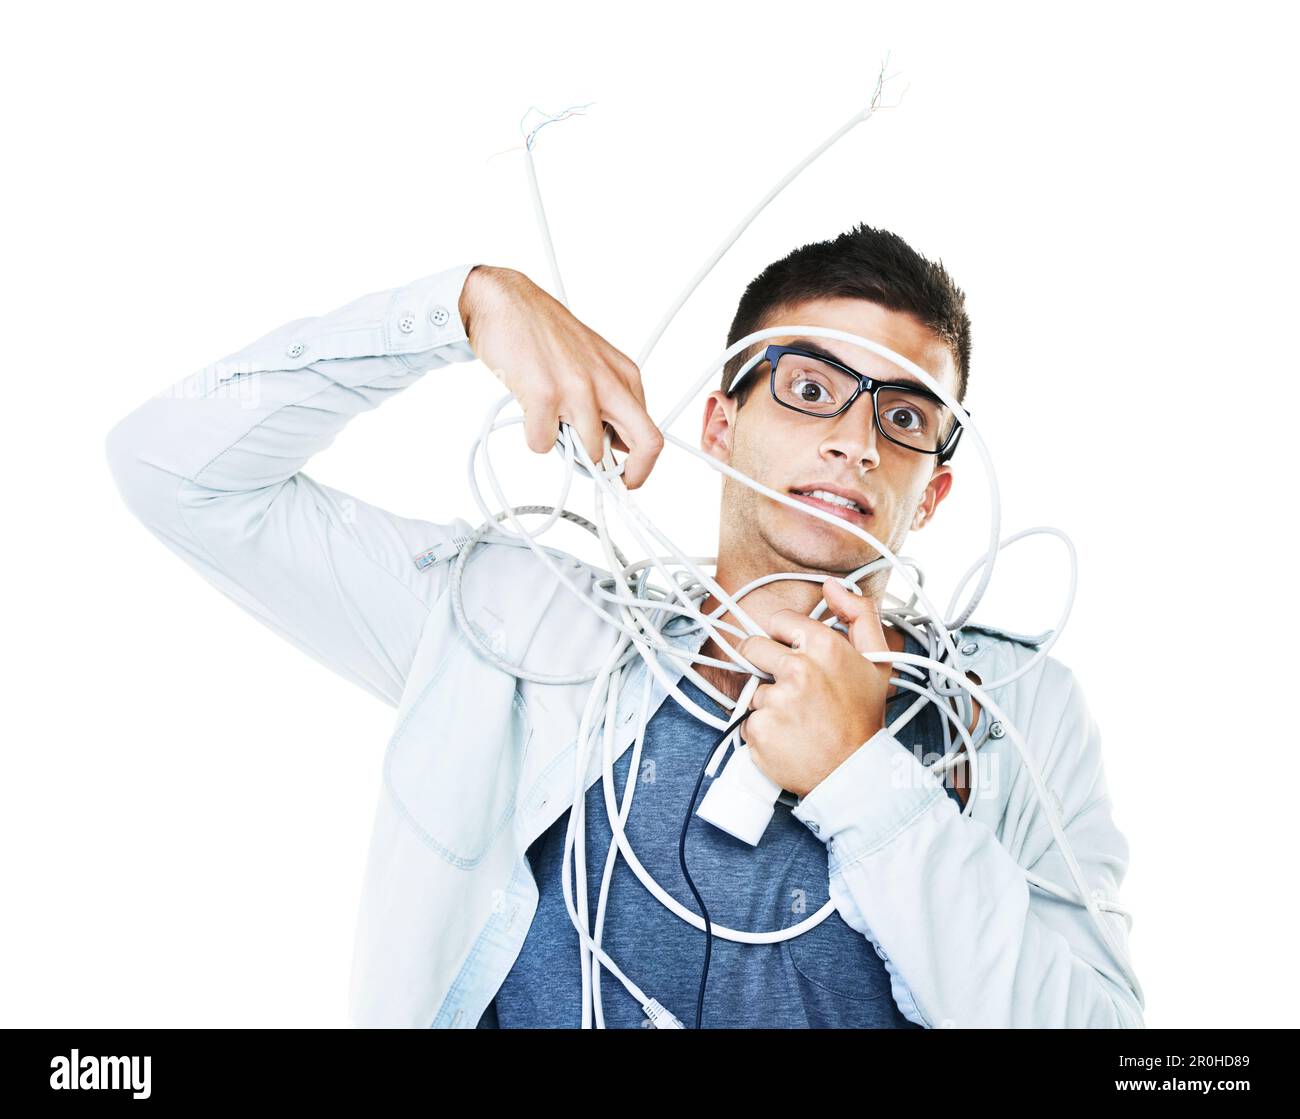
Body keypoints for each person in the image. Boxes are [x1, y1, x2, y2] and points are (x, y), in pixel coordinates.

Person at [104, 223, 1143, 1028]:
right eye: (811, 386)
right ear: (720, 422)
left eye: (902, 417)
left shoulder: (1011, 718)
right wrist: (466, 306)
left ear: (935, 493)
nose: (854, 441)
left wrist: (864, 782)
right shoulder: (520, 631)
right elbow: (173, 470)